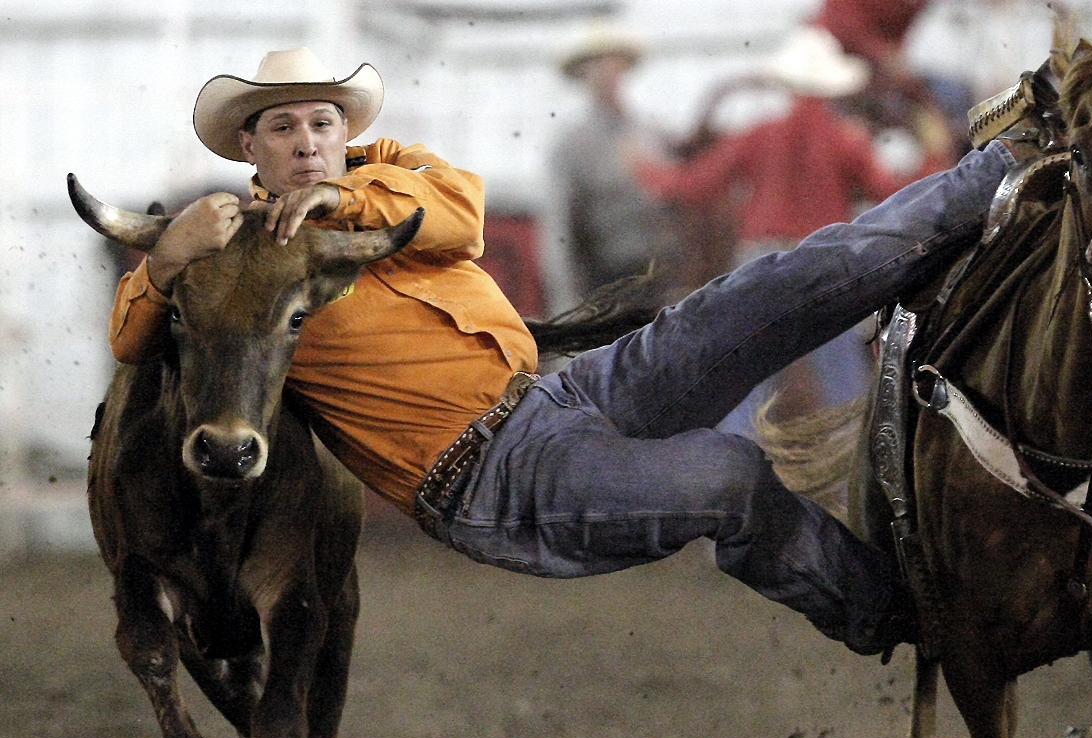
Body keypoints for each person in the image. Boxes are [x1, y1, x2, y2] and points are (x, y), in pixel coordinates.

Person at [105, 47, 1017, 658]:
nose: (307, 141)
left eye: (320, 124)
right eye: (283, 127)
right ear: (250, 147)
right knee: (730, 476)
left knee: (777, 284)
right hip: (490, 476)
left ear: (343, 134)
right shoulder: (237, 258)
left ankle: (1004, 168)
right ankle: (906, 617)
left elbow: (457, 212)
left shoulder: (388, 180)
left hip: (562, 394)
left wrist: (341, 203)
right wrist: (166, 261)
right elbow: (134, 340)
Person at [636, 26, 951, 436]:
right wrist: (933, 155)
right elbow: (893, 192)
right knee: (842, 376)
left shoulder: (759, 133)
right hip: (825, 260)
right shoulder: (845, 138)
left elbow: (692, 186)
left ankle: (723, 455)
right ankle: (853, 469)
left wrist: (644, 170)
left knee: (746, 368)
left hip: (760, 259)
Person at [541, 25, 684, 317]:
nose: (607, 74)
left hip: (663, 277)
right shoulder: (572, 144)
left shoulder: (653, 133)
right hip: (606, 280)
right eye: (596, 67)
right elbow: (561, 227)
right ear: (583, 76)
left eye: (613, 65)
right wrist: (571, 306)